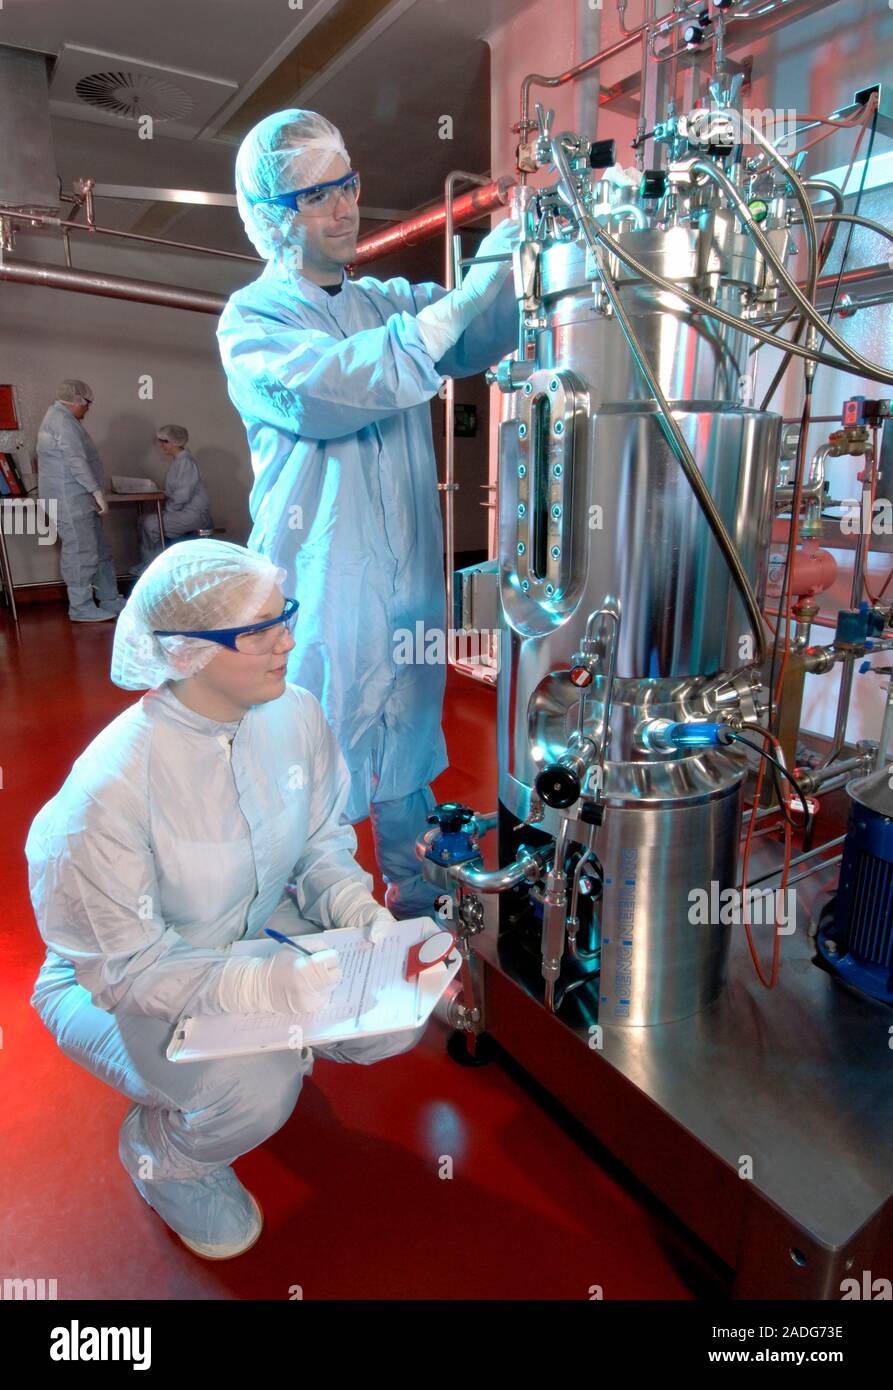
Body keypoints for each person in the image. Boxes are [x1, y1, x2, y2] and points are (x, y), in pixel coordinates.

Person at [25, 540, 431, 1259]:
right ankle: (164, 1156)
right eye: (258, 631)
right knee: (253, 1086)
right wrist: (267, 985)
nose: (288, 640)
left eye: (285, 617)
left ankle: (251, 1060)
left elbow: (319, 843)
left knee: (388, 1020)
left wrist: (358, 915)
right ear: (186, 652)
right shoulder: (111, 792)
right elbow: (131, 971)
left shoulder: (293, 714)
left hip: (250, 922)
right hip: (117, 985)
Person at [217, 109, 520, 922]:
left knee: (407, 743)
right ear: (276, 217)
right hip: (324, 580)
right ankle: (312, 929)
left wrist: (515, 251)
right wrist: (442, 317)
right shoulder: (253, 320)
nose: (346, 208)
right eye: (318, 196)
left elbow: (474, 329)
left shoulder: (384, 298)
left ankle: (417, 908)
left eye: (347, 184)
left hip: (407, 582)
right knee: (314, 745)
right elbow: (334, 389)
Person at [36, 380, 125, 622]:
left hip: (79, 498)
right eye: (87, 404)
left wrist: (93, 493)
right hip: (69, 499)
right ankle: (80, 606)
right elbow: (75, 460)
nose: (88, 409)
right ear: (78, 401)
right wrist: (95, 490)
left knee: (99, 548)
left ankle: (109, 597)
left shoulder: (63, 419)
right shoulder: (61, 421)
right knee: (81, 552)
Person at [137, 424, 214, 569]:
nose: (162, 445)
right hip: (182, 512)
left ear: (176, 442)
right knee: (143, 520)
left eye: (166, 442)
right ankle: (151, 564)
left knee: (151, 524)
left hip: (193, 515)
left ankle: (155, 567)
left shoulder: (186, 462)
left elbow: (182, 496)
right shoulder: (178, 462)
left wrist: (168, 510)